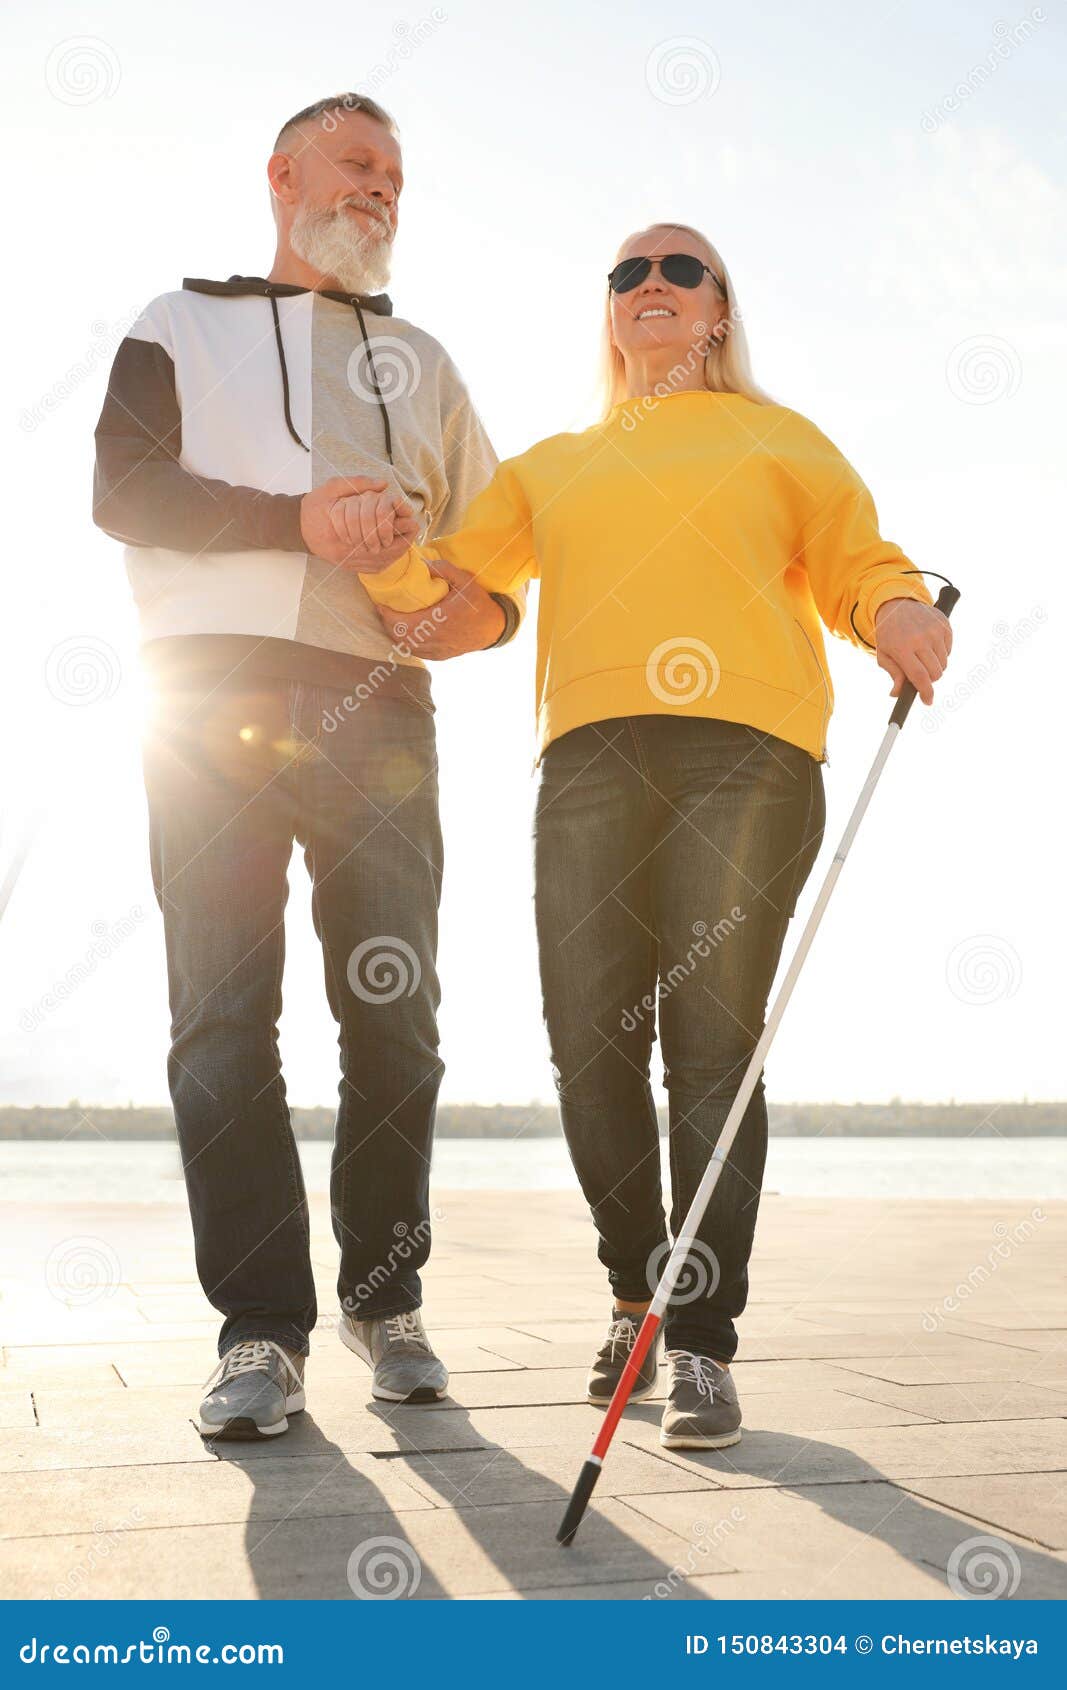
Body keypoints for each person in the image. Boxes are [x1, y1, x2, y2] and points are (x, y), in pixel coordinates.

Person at [346, 222, 953, 1450]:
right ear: (609, 312)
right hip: (586, 760)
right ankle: (635, 1288)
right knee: (588, 1047)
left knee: (713, 1056)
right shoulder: (554, 463)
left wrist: (893, 610)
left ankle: (701, 1342)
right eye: (628, 274)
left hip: (749, 755)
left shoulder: (782, 439)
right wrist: (391, 565)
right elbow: (449, 586)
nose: (653, 286)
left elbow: (856, 561)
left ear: (719, 309)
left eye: (681, 271)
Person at [92, 93, 524, 1439]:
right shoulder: (175, 323)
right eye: (358, 165)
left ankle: (384, 1299)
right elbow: (123, 491)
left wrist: (477, 615)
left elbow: (492, 564)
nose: (383, 189)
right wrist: (298, 517)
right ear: (283, 177)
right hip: (203, 700)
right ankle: (260, 1332)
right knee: (222, 1020)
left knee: (394, 1009)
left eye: (398, 174)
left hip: (375, 710)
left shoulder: (424, 362)